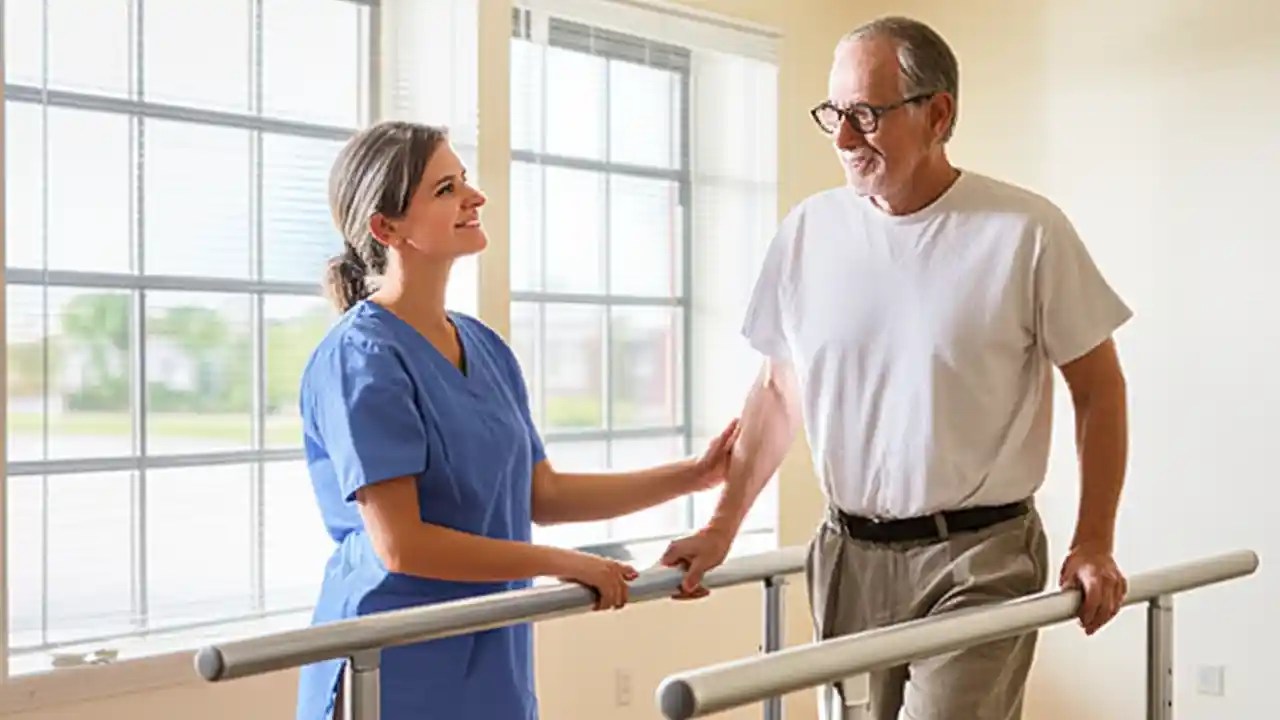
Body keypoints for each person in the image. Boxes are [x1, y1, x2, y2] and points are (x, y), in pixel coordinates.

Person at [659, 15, 1131, 720]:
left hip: (981, 556)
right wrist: (723, 526)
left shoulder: (1025, 231)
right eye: (835, 115)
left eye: (866, 116)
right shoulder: (808, 232)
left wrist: (1093, 541)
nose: (844, 139)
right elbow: (778, 391)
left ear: (938, 114)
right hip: (848, 553)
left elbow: (1097, 388)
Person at [295, 120, 740, 720]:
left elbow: (542, 493)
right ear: (386, 226)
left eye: (465, 181)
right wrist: (560, 561)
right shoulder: (361, 358)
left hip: (490, 652)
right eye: (446, 189)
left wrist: (693, 475)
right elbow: (401, 545)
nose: (474, 198)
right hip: (395, 657)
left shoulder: (484, 346)